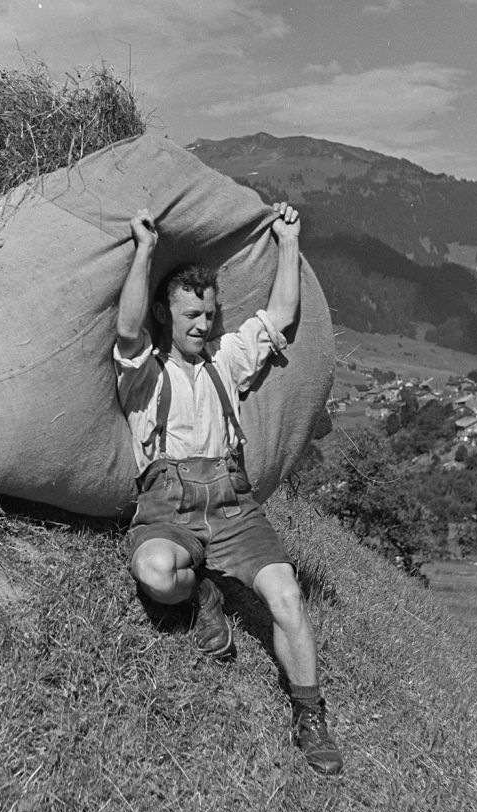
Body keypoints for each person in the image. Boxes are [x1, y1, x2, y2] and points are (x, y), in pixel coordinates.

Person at [113, 203, 344, 776]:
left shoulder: (228, 359)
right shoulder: (144, 371)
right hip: (167, 504)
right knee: (155, 573)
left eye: (209, 315)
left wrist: (288, 242)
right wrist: (145, 250)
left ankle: (309, 714)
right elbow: (124, 329)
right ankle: (202, 593)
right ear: (166, 315)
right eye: (190, 314)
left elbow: (280, 315)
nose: (202, 325)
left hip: (234, 505)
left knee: (287, 596)